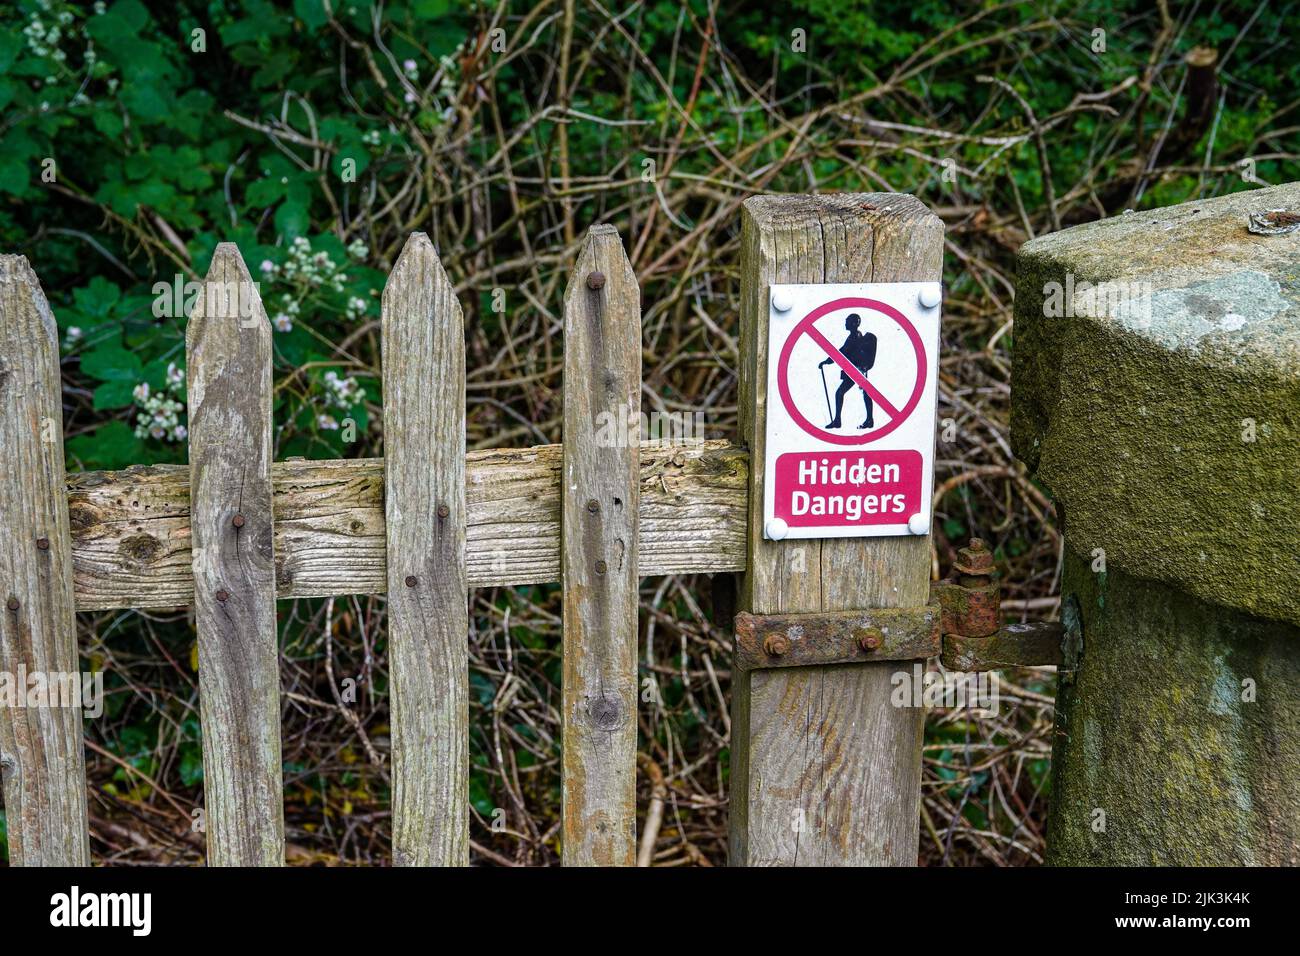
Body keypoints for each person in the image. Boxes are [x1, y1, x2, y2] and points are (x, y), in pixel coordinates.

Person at [819, 313, 877, 428]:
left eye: (847, 321)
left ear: (854, 323)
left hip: (857, 371)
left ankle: (867, 420)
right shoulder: (853, 336)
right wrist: (827, 361)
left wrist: (827, 361)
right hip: (853, 371)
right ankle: (840, 421)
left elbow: (842, 352)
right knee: (849, 393)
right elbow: (842, 352)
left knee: (859, 393)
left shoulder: (855, 336)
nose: (845, 323)